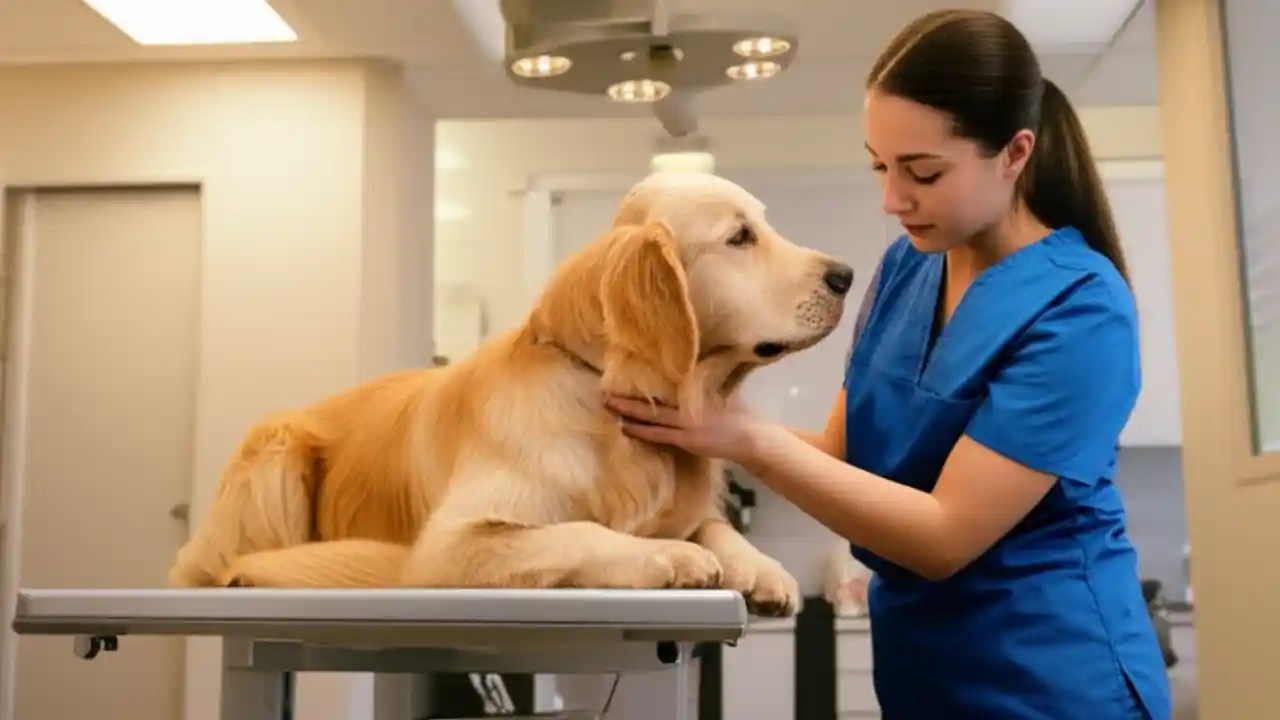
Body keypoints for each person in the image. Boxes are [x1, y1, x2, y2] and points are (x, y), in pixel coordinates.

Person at [605, 8, 1173, 720]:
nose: (892, 198)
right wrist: (696, 426)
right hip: (923, 671)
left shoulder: (1082, 309)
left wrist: (743, 437)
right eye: (879, 165)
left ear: (1015, 153)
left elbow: (944, 536)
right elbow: (845, 460)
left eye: (923, 172)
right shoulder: (910, 265)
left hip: (1053, 677)